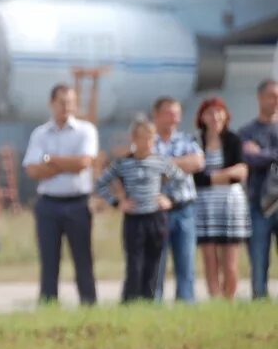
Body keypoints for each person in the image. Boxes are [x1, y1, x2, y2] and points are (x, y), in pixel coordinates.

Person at [22, 85, 99, 305]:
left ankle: (89, 304)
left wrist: (50, 160)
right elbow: (32, 170)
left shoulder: (86, 130)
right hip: (49, 204)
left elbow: (84, 162)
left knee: (83, 259)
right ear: (52, 103)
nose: (66, 107)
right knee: (49, 260)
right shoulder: (40, 133)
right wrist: (67, 163)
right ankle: (48, 304)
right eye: (62, 102)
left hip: (77, 202)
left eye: (70, 102)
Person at [96, 117, 187, 302]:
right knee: (134, 263)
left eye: (151, 139)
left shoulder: (160, 161)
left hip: (155, 217)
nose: (147, 143)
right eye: (143, 138)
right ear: (134, 139)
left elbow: (181, 180)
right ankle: (130, 300)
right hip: (134, 219)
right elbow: (101, 183)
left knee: (153, 262)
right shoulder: (123, 163)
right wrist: (117, 202)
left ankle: (149, 299)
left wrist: (170, 199)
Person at [193, 98, 250, 300]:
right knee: (209, 258)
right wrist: (224, 175)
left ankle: (229, 299)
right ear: (202, 117)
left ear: (226, 115)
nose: (215, 117)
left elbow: (242, 171)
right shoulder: (196, 141)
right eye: (210, 112)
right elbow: (196, 178)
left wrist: (210, 176)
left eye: (219, 112)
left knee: (230, 260)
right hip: (205, 204)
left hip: (230, 203)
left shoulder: (234, 140)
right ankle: (214, 298)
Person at [151, 96, 204, 303]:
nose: (173, 117)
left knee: (186, 264)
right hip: (157, 211)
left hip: (185, 210)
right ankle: (154, 305)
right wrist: (181, 165)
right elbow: (146, 170)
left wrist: (165, 165)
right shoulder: (148, 141)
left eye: (176, 113)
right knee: (157, 265)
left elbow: (198, 162)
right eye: (168, 112)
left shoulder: (187, 140)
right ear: (156, 115)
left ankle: (186, 304)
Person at [238, 79, 278, 300]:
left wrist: (264, 153)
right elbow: (248, 157)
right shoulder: (247, 131)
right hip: (258, 205)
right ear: (260, 98)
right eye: (271, 96)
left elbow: (258, 157)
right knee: (259, 257)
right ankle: (259, 299)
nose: (276, 101)